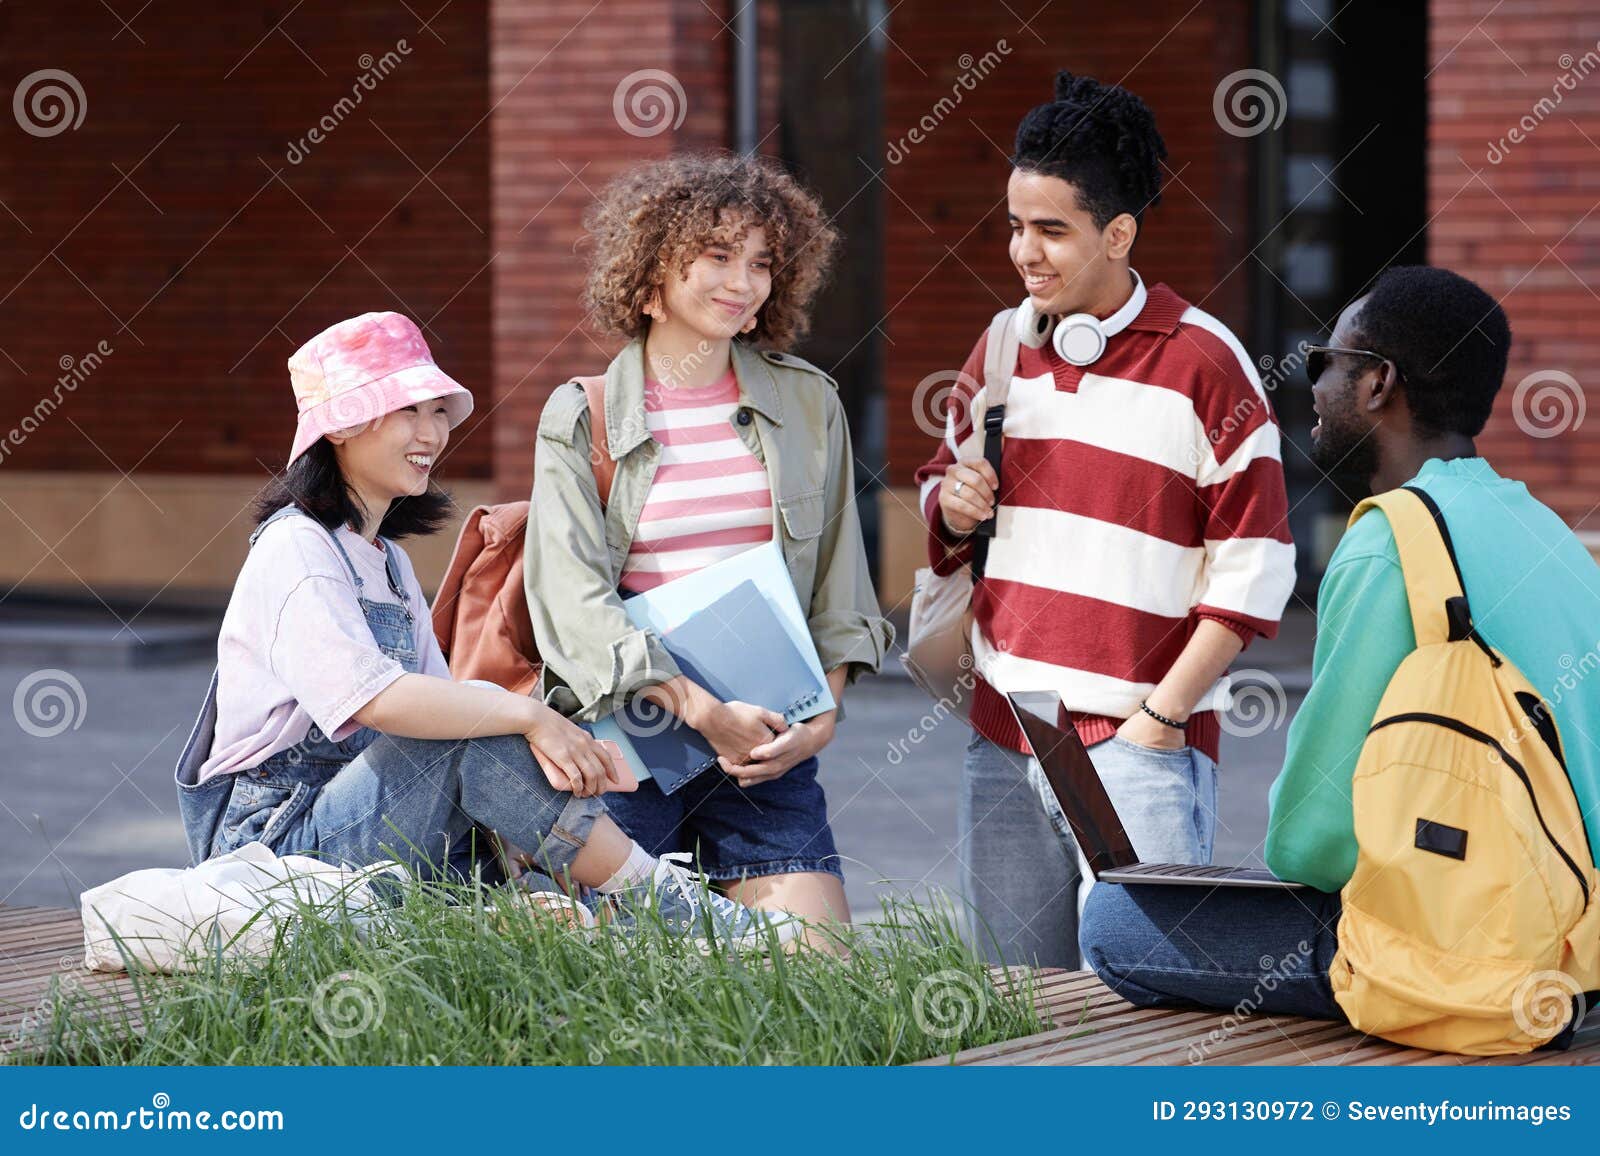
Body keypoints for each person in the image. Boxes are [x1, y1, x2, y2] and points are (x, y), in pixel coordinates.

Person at [173, 310, 793, 949]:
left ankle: (615, 906)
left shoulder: (388, 563)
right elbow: (378, 700)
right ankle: (662, 904)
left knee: (491, 731)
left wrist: (551, 737)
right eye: (409, 410)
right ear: (344, 426)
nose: (432, 432)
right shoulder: (295, 550)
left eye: (439, 412)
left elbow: (450, 706)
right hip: (272, 852)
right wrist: (530, 719)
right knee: (485, 724)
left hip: (361, 824)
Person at [1080, 265, 1600, 1019]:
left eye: (1326, 362)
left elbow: (1310, 844)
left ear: (1379, 384)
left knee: (1118, 922)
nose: (1312, 387)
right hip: (1579, 933)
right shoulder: (1548, 531)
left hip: (1481, 950)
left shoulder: (1393, 540)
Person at [913, 71, 1294, 968]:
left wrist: (1159, 721)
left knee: (1142, 1012)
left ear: (1119, 233)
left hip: (1138, 749)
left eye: (1052, 230)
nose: (1024, 253)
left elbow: (1255, 566)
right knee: (1022, 1011)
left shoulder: (1206, 364)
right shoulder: (1003, 344)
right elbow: (939, 483)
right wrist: (952, 504)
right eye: (1015, 226)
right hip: (1005, 740)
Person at [525, 153, 892, 930]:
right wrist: (694, 706)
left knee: (817, 971)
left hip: (762, 746)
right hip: (629, 741)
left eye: (761, 263)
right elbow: (571, 603)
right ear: (653, 274)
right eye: (718, 256)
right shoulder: (581, 415)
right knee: (624, 984)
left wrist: (823, 710)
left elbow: (839, 583)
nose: (743, 281)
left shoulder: (808, 401)